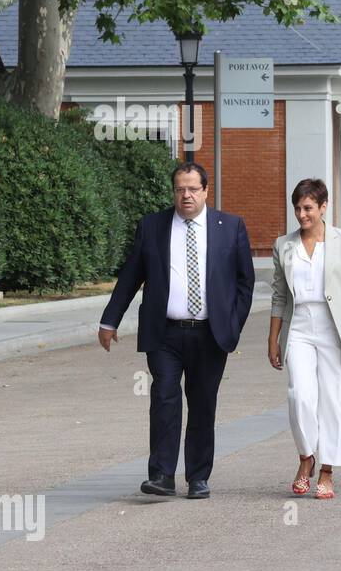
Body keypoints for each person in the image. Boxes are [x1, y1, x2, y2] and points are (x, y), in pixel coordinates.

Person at [98, 162, 255, 500]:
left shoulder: (230, 227)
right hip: (164, 333)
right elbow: (130, 277)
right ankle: (162, 474)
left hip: (210, 334)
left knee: (202, 405)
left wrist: (232, 323)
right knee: (164, 399)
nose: (186, 195)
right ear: (174, 192)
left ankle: (198, 477)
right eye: (180, 189)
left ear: (205, 191)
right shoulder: (153, 226)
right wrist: (110, 320)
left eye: (193, 189)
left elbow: (246, 282)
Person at [268, 179, 341, 500]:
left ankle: (327, 469)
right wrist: (273, 339)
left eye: (308, 208)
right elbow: (279, 295)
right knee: (300, 394)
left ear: (323, 207)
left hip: (336, 329)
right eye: (298, 208)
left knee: (334, 400)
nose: (302, 215)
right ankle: (306, 457)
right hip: (298, 326)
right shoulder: (283, 245)